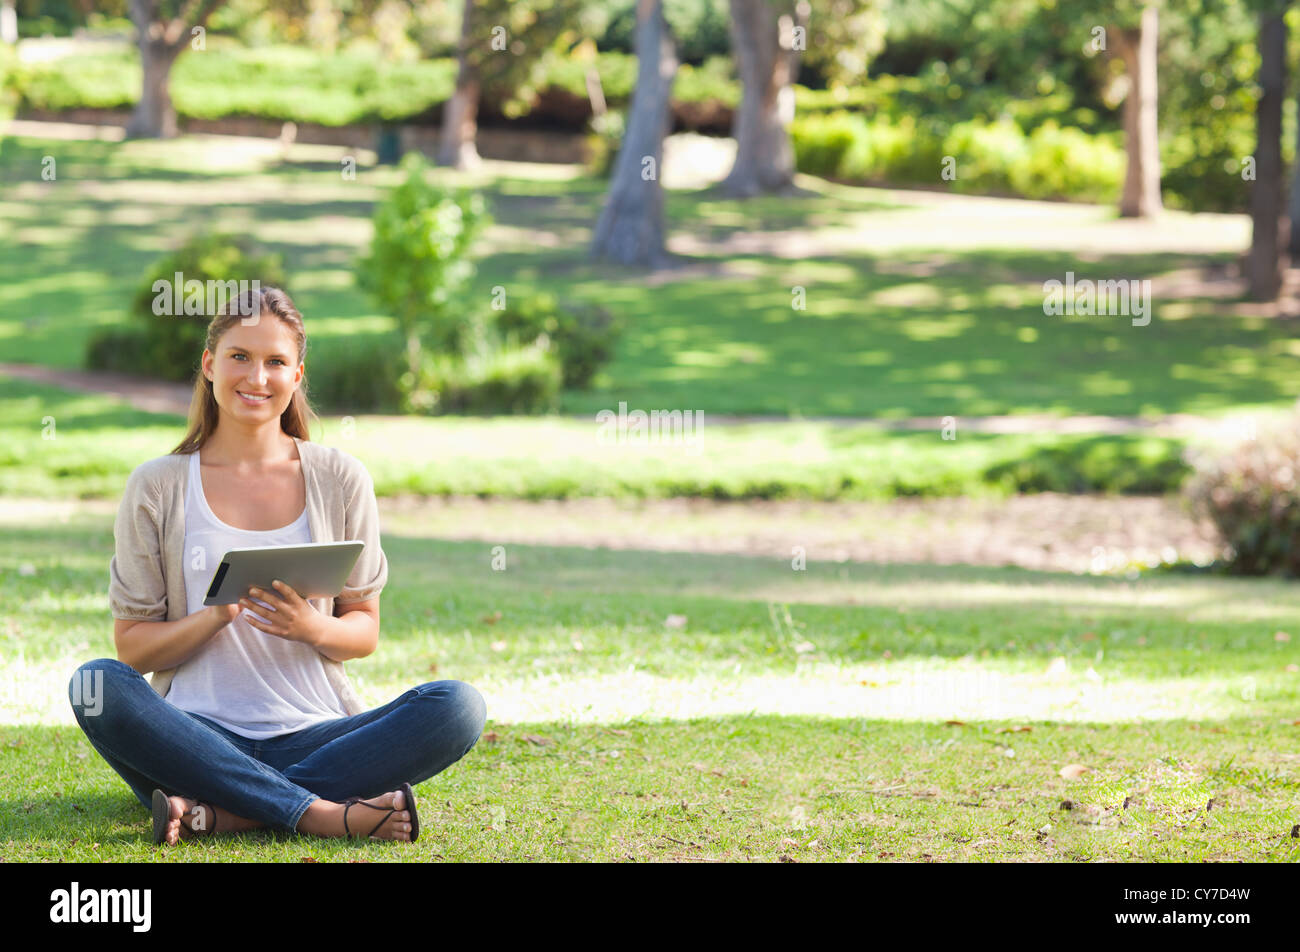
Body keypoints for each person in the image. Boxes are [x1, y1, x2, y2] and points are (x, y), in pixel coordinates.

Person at [68, 285, 486, 846]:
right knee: (96, 683)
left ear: (296, 375)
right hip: (193, 739)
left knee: (457, 706)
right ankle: (317, 813)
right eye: (240, 357)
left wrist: (312, 626)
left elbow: (362, 631)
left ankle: (222, 814)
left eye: (275, 362)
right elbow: (133, 651)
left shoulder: (340, 479)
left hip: (316, 733)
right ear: (210, 365)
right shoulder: (157, 485)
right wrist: (212, 618)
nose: (256, 378)